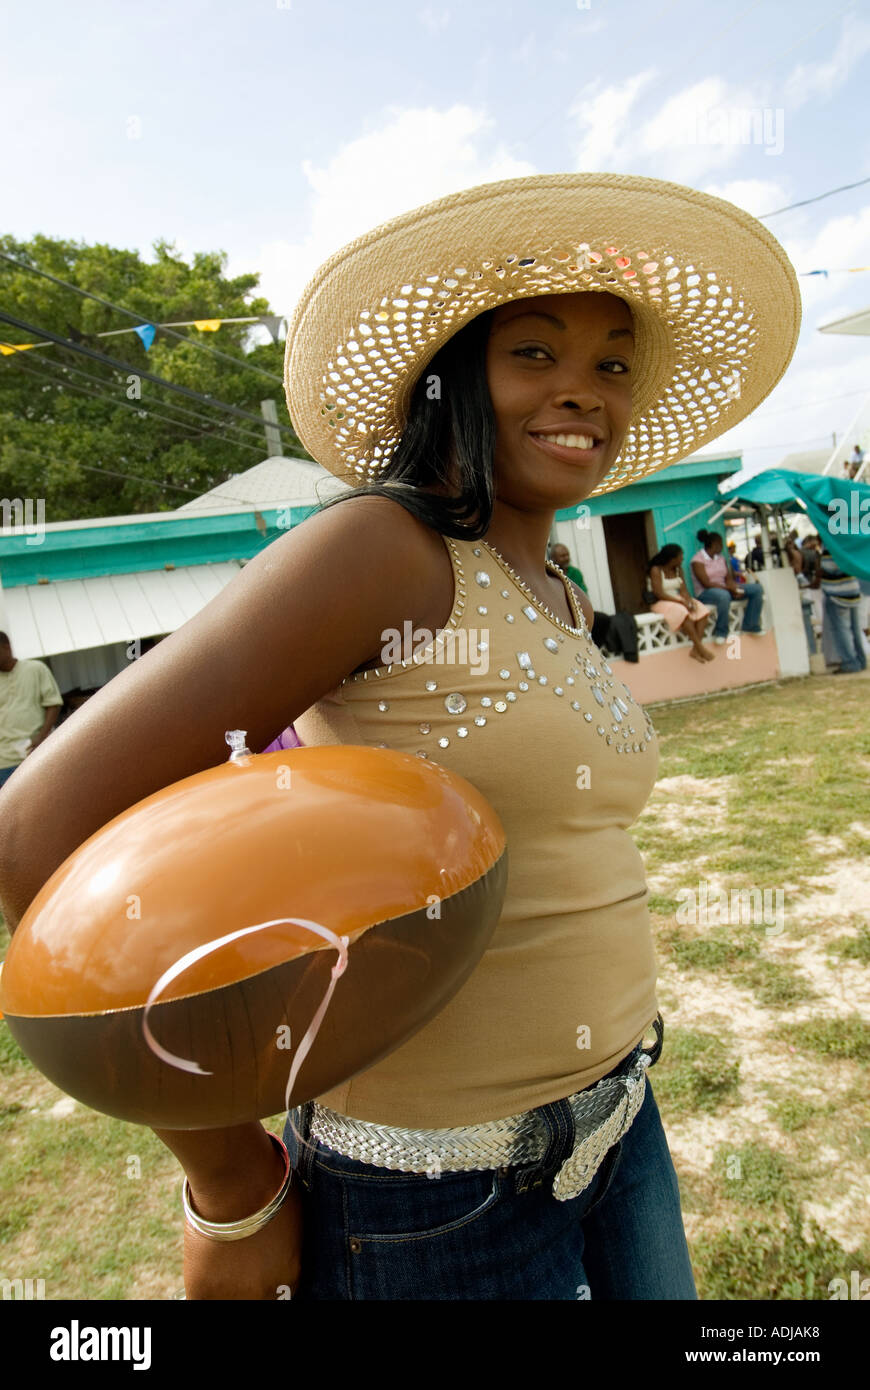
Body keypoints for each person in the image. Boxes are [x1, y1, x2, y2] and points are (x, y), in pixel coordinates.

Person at [0, 172, 801, 1302]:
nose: (582, 390)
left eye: (613, 364)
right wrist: (234, 1179)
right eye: (535, 353)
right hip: (440, 1207)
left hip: (624, 1122)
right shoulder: (383, 551)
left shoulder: (558, 586)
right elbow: (38, 826)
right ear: (451, 378)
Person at [0, 632, 63, 789]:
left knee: (47, 801)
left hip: (36, 755)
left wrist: (41, 737)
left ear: (6, 647)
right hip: (4, 763)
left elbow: (53, 704)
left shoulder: (36, 669)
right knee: (12, 811)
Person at [691, 528, 764, 644]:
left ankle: (750, 624)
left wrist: (734, 587)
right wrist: (729, 589)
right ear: (714, 544)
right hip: (706, 592)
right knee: (724, 596)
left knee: (757, 589)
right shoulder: (697, 560)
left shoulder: (721, 558)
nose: (722, 546)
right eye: (720, 544)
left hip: (725, 588)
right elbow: (706, 583)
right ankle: (721, 632)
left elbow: (728, 578)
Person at [645, 544, 714, 662]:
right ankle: (700, 648)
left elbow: (683, 590)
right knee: (682, 611)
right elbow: (659, 593)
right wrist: (681, 602)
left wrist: (688, 601)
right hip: (661, 601)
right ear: (672, 558)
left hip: (676, 599)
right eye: (680, 556)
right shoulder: (656, 570)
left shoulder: (678, 569)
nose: (682, 558)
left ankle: (695, 650)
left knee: (702, 610)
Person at [813, 544, 868, 673]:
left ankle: (849, 663)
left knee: (841, 630)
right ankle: (860, 660)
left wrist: (820, 571)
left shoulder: (831, 545)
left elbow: (831, 567)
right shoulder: (846, 542)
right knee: (855, 630)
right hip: (852, 588)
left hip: (837, 591)